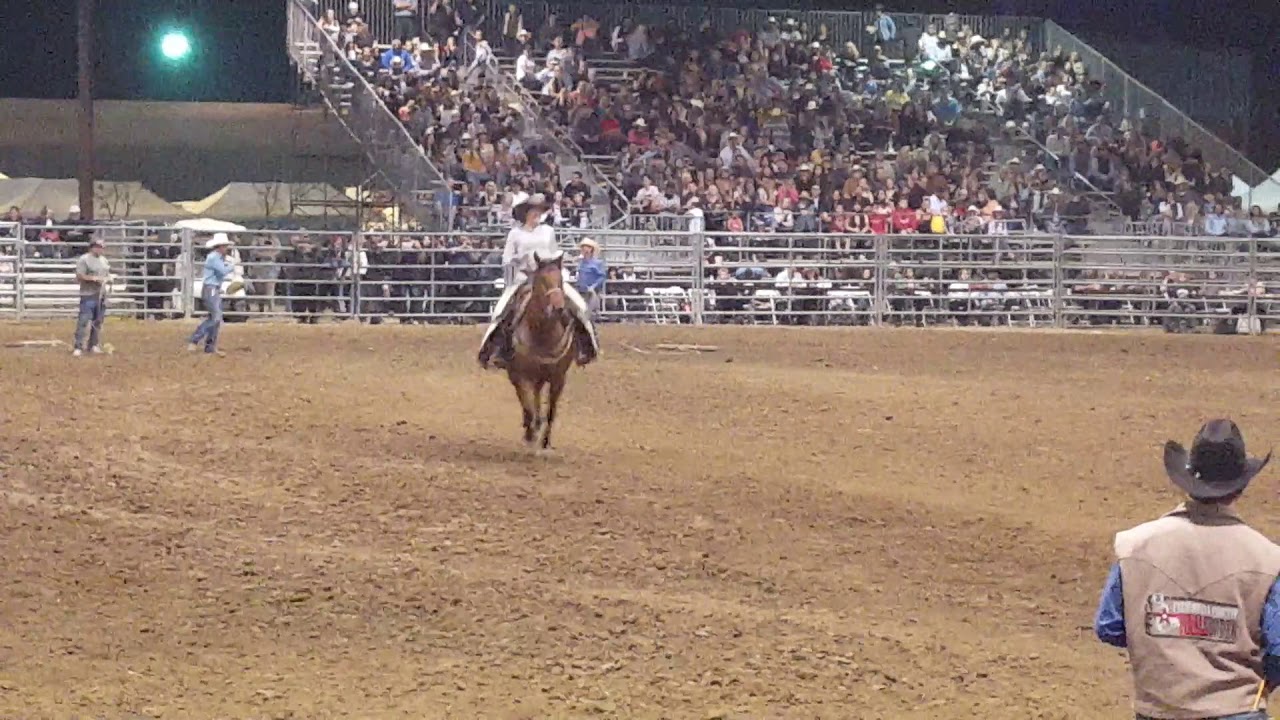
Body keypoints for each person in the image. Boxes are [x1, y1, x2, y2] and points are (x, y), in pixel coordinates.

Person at [1094, 419, 1280, 720]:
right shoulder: (1268, 559)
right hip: (1235, 710)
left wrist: (1169, 642)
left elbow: (1110, 626)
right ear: (1241, 486)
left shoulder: (1135, 546)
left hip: (1158, 709)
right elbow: (1279, 650)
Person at [478, 192, 599, 369]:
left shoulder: (548, 232)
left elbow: (554, 253)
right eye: (533, 210)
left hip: (548, 277)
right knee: (501, 310)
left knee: (579, 305)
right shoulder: (515, 234)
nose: (537, 214)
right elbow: (506, 259)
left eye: (539, 210)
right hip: (524, 277)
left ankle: (586, 346)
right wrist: (519, 262)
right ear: (525, 213)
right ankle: (495, 350)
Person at [188, 234, 236, 356]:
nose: (226, 248)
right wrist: (232, 265)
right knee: (216, 317)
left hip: (213, 288)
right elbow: (223, 271)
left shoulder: (216, 257)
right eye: (225, 246)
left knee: (215, 318)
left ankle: (209, 346)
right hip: (211, 289)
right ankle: (196, 339)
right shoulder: (214, 258)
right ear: (219, 247)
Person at [72, 236, 110, 356]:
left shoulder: (104, 261)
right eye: (97, 247)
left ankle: (93, 344)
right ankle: (78, 345)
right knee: (84, 320)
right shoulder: (84, 260)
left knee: (98, 320)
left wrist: (108, 279)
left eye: (101, 247)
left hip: (100, 294)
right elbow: (79, 276)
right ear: (92, 247)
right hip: (88, 294)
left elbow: (106, 274)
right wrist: (94, 279)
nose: (99, 250)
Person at [576, 237, 606, 319]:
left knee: (587, 315)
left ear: (590, 249)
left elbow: (602, 277)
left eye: (586, 247)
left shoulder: (597, 263)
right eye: (583, 247)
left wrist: (593, 286)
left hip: (591, 292)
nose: (583, 249)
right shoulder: (581, 262)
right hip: (581, 290)